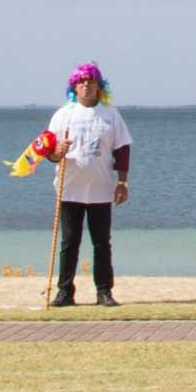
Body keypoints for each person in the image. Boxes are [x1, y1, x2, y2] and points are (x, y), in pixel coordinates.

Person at [46, 61, 131, 309]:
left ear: (98, 86)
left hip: (101, 189)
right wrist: (56, 152)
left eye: (90, 81)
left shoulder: (110, 114)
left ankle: (104, 291)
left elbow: (122, 148)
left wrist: (123, 182)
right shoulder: (63, 115)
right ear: (75, 86)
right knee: (69, 243)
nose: (86, 85)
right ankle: (65, 292)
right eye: (81, 81)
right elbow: (48, 150)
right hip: (69, 188)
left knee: (102, 242)